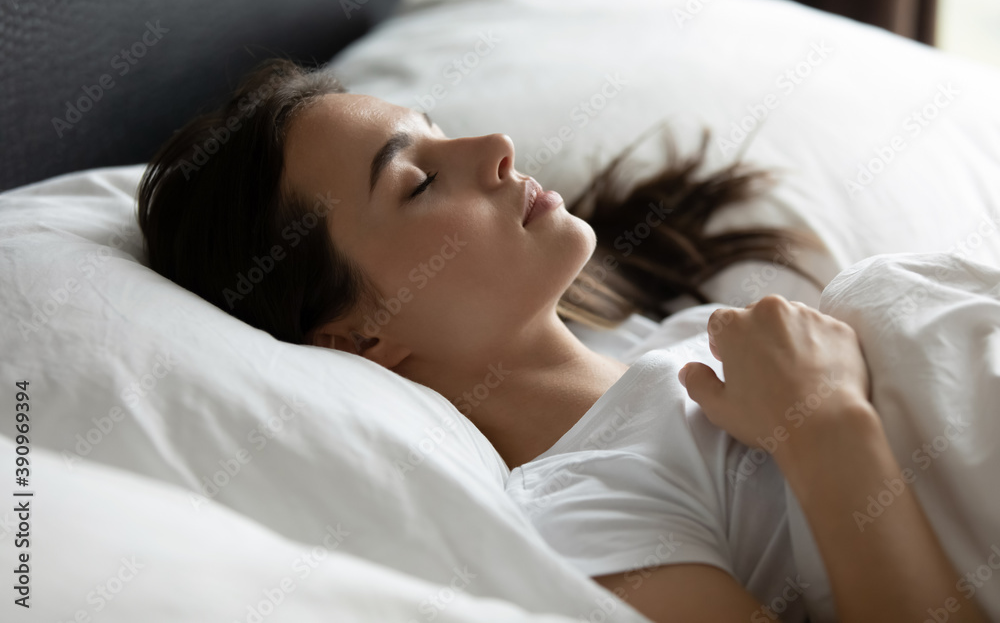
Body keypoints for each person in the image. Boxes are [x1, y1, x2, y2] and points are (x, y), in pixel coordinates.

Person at [136, 59, 986, 623]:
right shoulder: (587, 516)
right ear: (360, 337)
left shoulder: (677, 337)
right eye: (420, 179)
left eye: (441, 128)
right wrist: (822, 420)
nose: (497, 147)